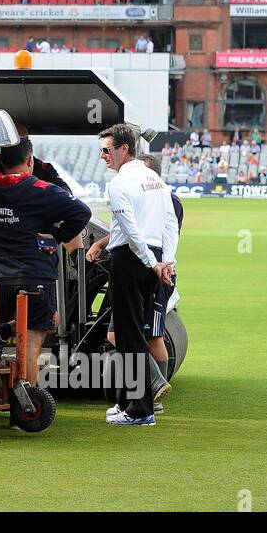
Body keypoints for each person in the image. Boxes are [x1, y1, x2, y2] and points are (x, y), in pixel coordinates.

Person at [0, 138, 91, 385]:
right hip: (36, 275)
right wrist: (57, 237)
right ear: (30, 160)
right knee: (31, 344)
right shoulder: (42, 190)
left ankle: (1, 332)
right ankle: (26, 405)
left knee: (49, 321)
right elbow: (82, 212)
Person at [97, 124, 177, 426]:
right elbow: (169, 222)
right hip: (154, 257)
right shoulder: (154, 178)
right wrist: (165, 260)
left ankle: (140, 410)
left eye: (107, 149)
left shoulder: (119, 183)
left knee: (128, 335)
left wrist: (151, 261)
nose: (103, 156)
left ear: (124, 149)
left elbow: (130, 230)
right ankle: (127, 403)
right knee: (134, 332)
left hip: (131, 260)